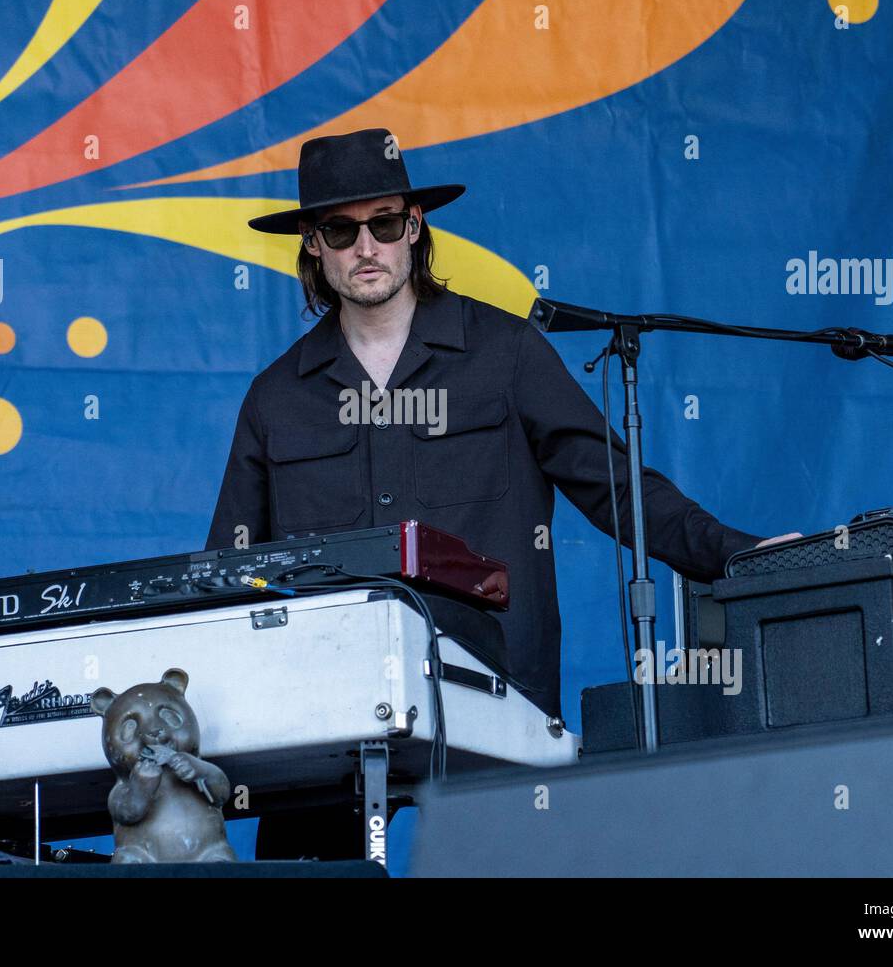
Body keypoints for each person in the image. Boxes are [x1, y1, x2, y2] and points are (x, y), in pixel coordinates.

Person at [205, 127, 799, 857]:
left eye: (384, 223)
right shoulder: (275, 398)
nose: (367, 247)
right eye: (341, 229)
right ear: (313, 244)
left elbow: (616, 486)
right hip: (330, 708)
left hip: (496, 697)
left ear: (414, 227)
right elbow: (227, 577)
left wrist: (741, 557)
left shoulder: (506, 353)